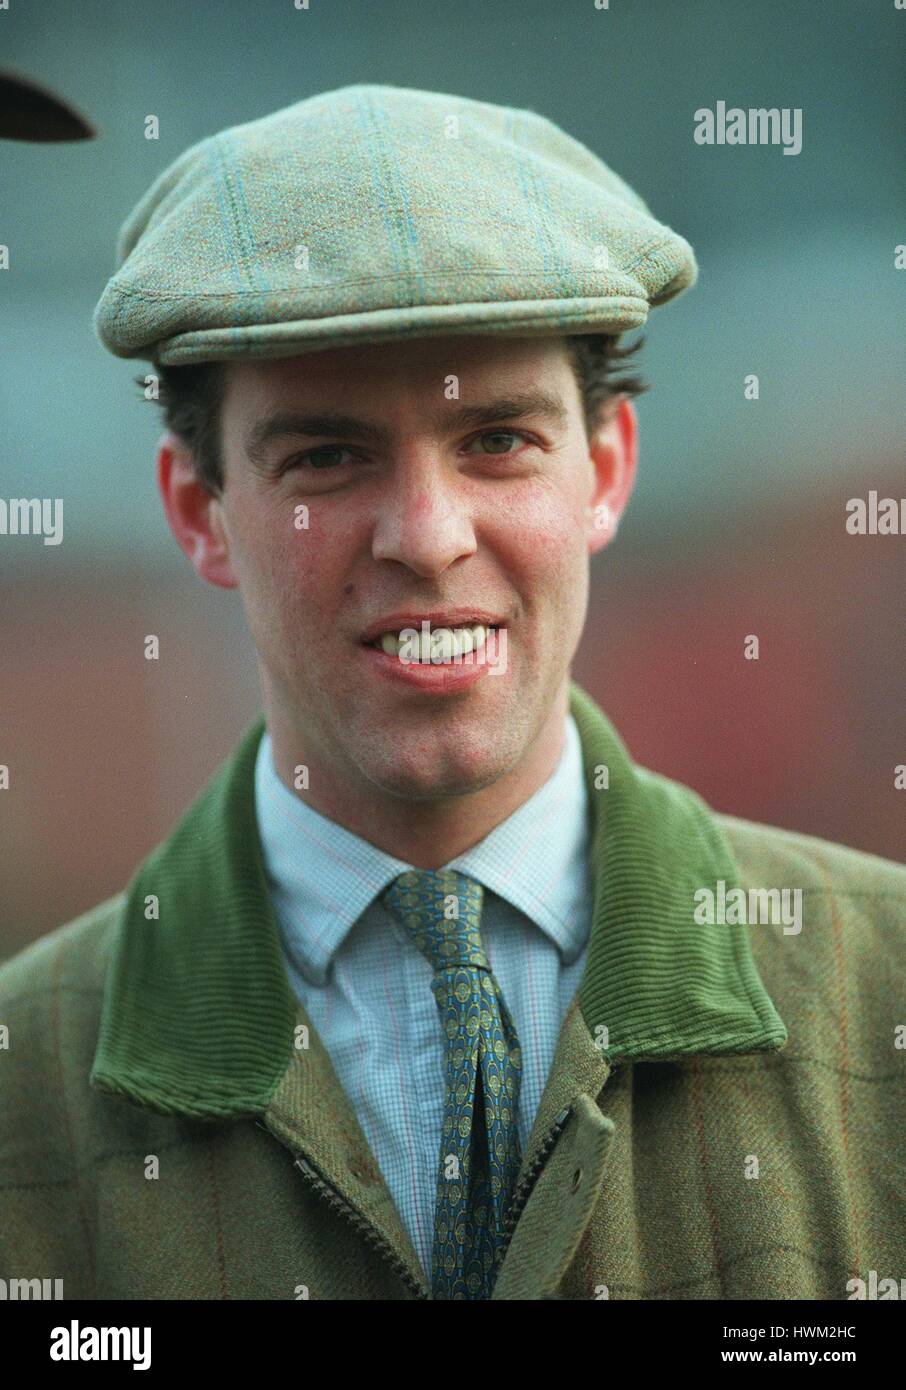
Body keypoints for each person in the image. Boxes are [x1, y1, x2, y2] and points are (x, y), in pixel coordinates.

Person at [1, 84, 903, 1302]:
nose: (427, 537)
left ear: (608, 466)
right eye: (327, 454)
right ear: (199, 512)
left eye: (496, 440)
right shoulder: (23, 1083)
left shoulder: (883, 990)